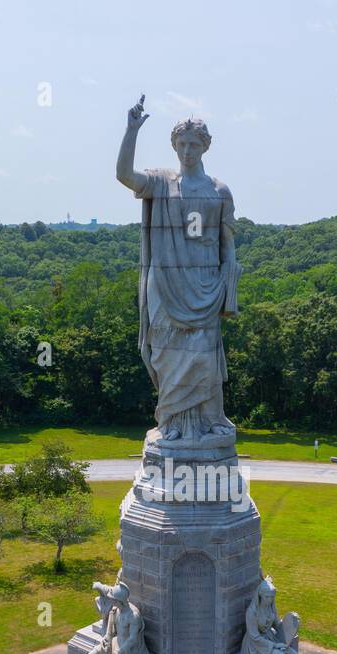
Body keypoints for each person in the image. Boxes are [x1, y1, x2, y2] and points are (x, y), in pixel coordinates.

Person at [116, 95, 240, 441]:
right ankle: (171, 422)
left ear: (205, 147)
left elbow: (226, 247)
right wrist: (131, 131)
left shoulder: (220, 192)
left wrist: (228, 291)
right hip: (166, 286)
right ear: (174, 146)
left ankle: (210, 419)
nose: (187, 151)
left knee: (203, 357)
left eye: (194, 144)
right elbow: (124, 175)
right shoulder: (161, 183)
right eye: (182, 144)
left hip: (205, 286)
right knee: (168, 354)